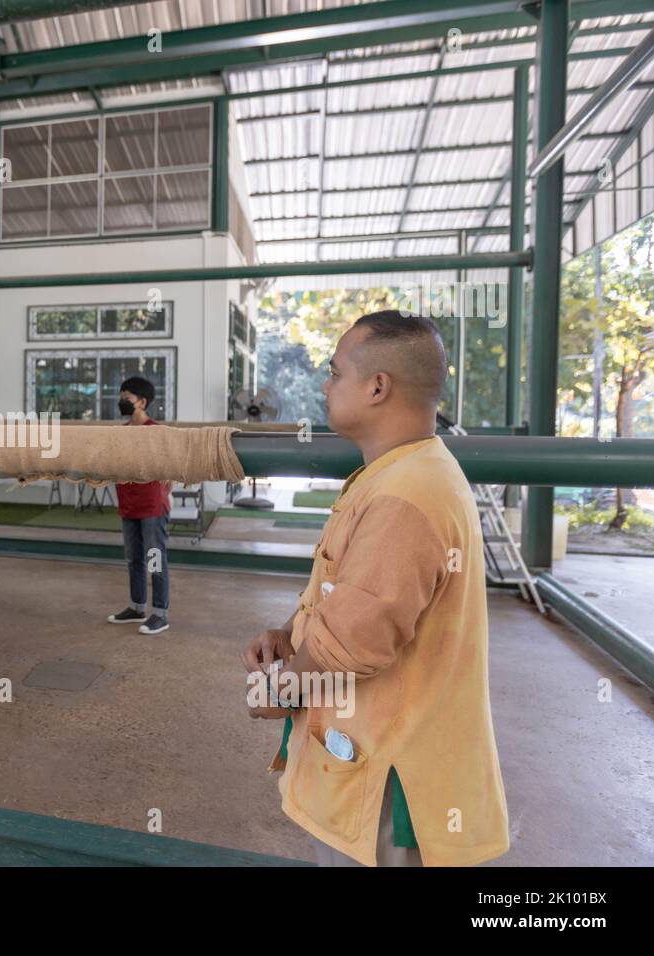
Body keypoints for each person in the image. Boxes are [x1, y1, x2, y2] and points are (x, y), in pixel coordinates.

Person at [243, 310, 509, 867]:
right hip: (371, 760)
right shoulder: (398, 473)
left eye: (334, 372)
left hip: (388, 782)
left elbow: (351, 644)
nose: (325, 385)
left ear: (377, 386)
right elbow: (351, 593)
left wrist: (278, 691)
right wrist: (291, 632)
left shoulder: (404, 496)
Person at [106, 376, 171, 636]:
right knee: (133, 559)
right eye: (121, 397)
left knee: (154, 560)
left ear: (142, 402)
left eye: (127, 398)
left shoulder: (156, 432)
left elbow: (168, 467)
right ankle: (136, 607)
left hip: (152, 507)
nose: (122, 401)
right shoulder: (121, 433)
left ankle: (160, 614)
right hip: (129, 504)